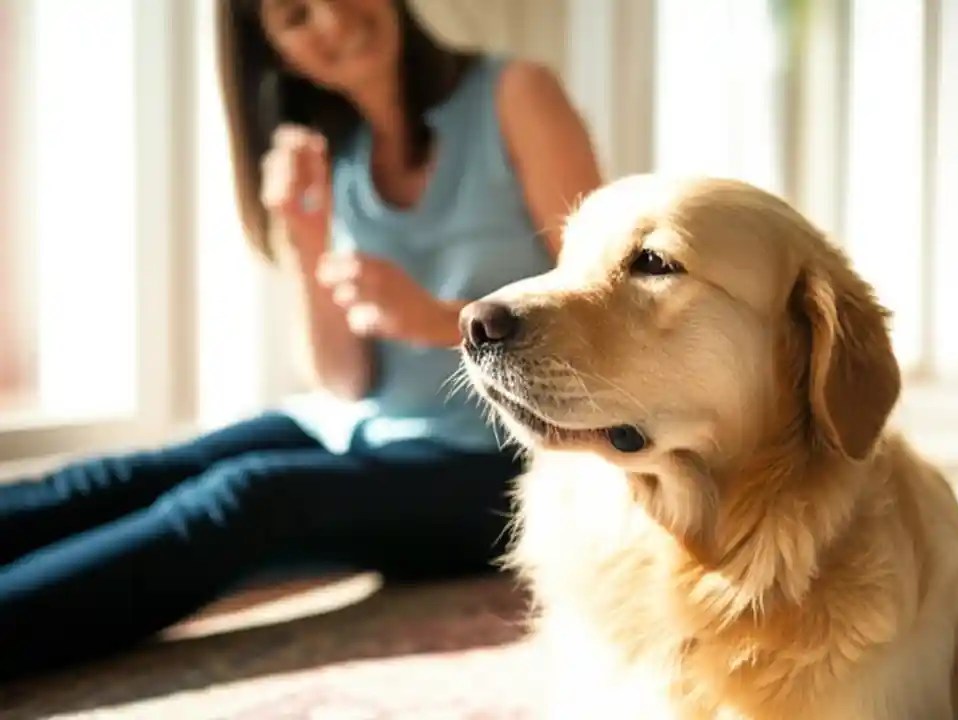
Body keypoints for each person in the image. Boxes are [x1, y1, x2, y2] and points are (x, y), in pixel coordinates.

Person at [0, 0, 602, 681]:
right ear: (278, 52)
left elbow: (602, 308)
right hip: (364, 424)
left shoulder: (516, 92)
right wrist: (302, 236)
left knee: (247, 497)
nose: (332, 18)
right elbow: (344, 381)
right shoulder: (334, 152)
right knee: (120, 478)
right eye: (294, 14)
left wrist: (433, 317)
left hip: (499, 457)